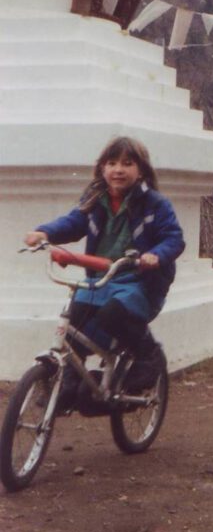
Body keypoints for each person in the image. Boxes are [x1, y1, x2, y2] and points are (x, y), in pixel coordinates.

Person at [24, 136, 185, 406]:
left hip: (138, 280)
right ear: (102, 168)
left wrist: (155, 255)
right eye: (111, 163)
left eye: (127, 163)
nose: (118, 170)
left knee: (114, 314)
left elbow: (174, 238)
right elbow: (74, 222)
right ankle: (71, 382)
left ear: (141, 170)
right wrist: (44, 233)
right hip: (101, 278)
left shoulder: (155, 204)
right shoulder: (95, 199)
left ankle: (148, 355)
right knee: (74, 320)